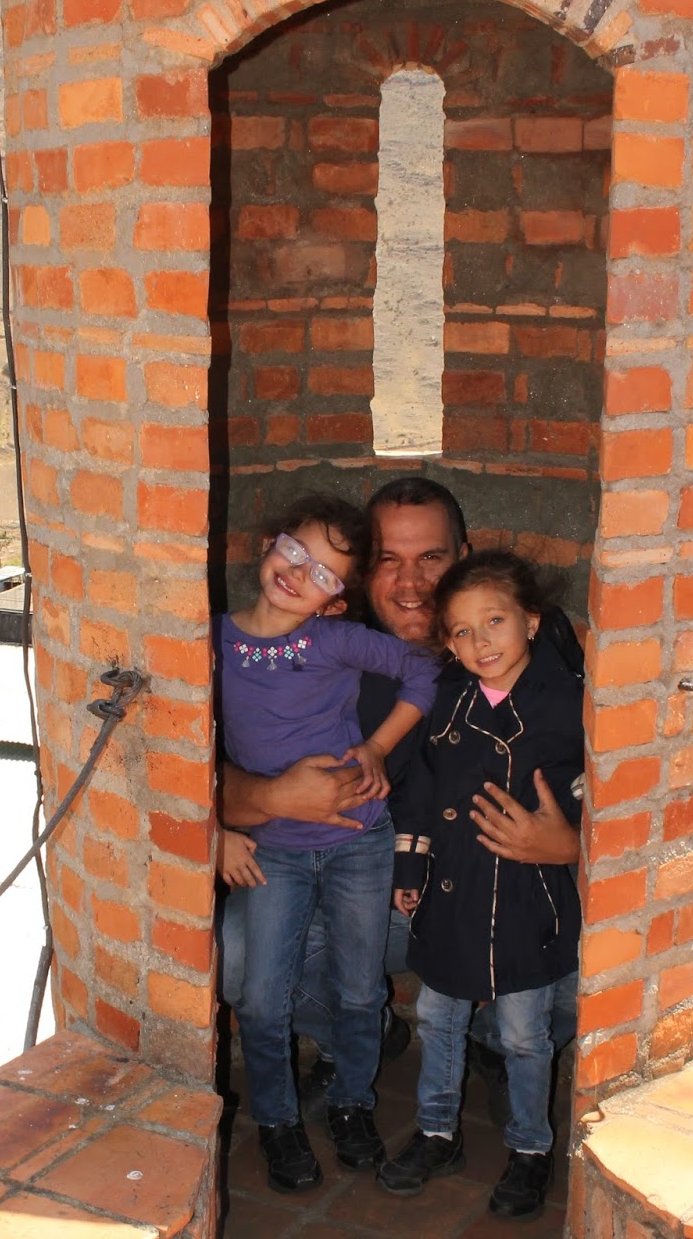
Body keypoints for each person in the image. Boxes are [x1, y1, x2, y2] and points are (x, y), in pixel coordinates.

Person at [218, 492, 439, 1194]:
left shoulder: (333, 641)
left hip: (358, 845)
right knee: (258, 999)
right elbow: (185, 746)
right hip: (271, 851)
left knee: (355, 987)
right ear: (268, 543)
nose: (299, 573)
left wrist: (376, 746)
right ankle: (278, 1121)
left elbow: (423, 670)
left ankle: (351, 1104)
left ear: (336, 601)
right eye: (294, 551)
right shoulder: (210, 642)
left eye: (324, 574)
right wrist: (216, 827)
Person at [378, 551, 584, 1221]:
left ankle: (530, 1148)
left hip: (529, 897)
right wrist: (411, 868)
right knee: (438, 1018)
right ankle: (437, 1133)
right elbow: (419, 792)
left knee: (526, 1034)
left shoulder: (570, 705)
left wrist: (568, 840)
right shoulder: (445, 699)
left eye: (494, 621)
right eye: (461, 631)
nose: (480, 642)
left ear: (530, 619)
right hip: (452, 891)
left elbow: (594, 798)